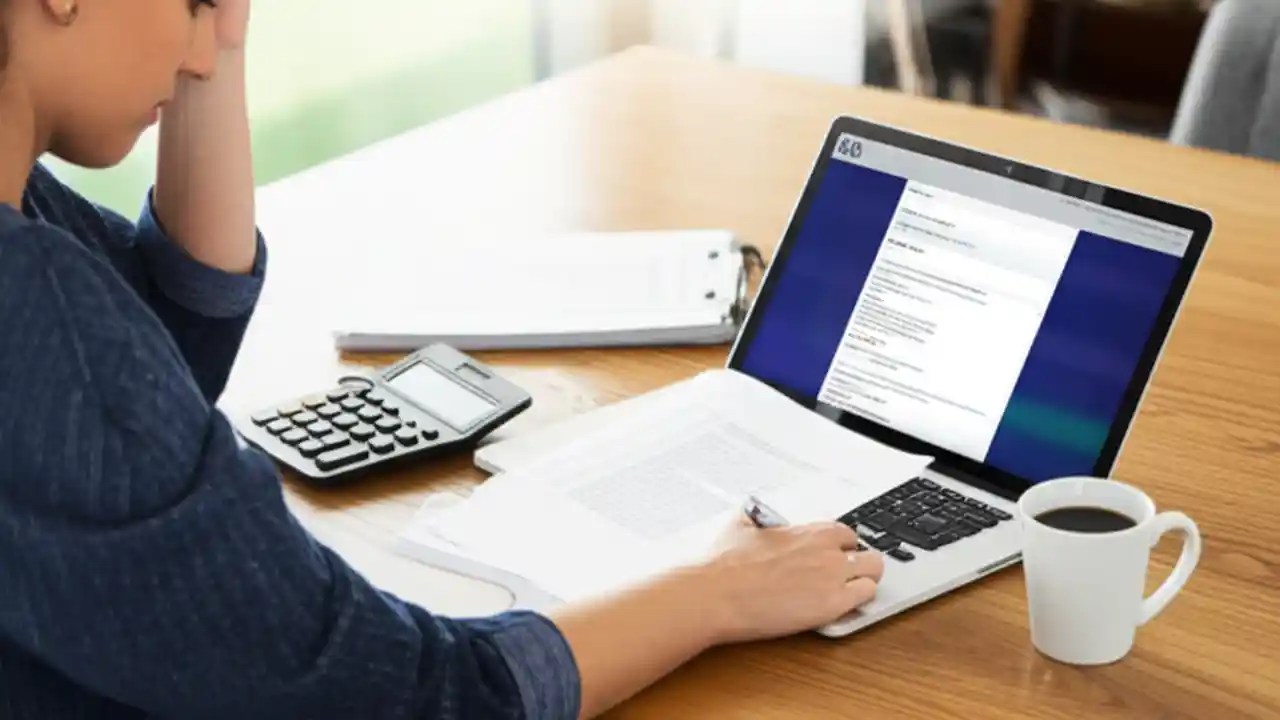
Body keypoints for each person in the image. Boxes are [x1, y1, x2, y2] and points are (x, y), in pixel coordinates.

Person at [0, 1, 886, 718]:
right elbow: (412, 699)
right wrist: (715, 592)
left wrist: (218, 42)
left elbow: (160, 362)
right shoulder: (33, 300)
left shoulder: (29, 237)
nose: (204, 50)